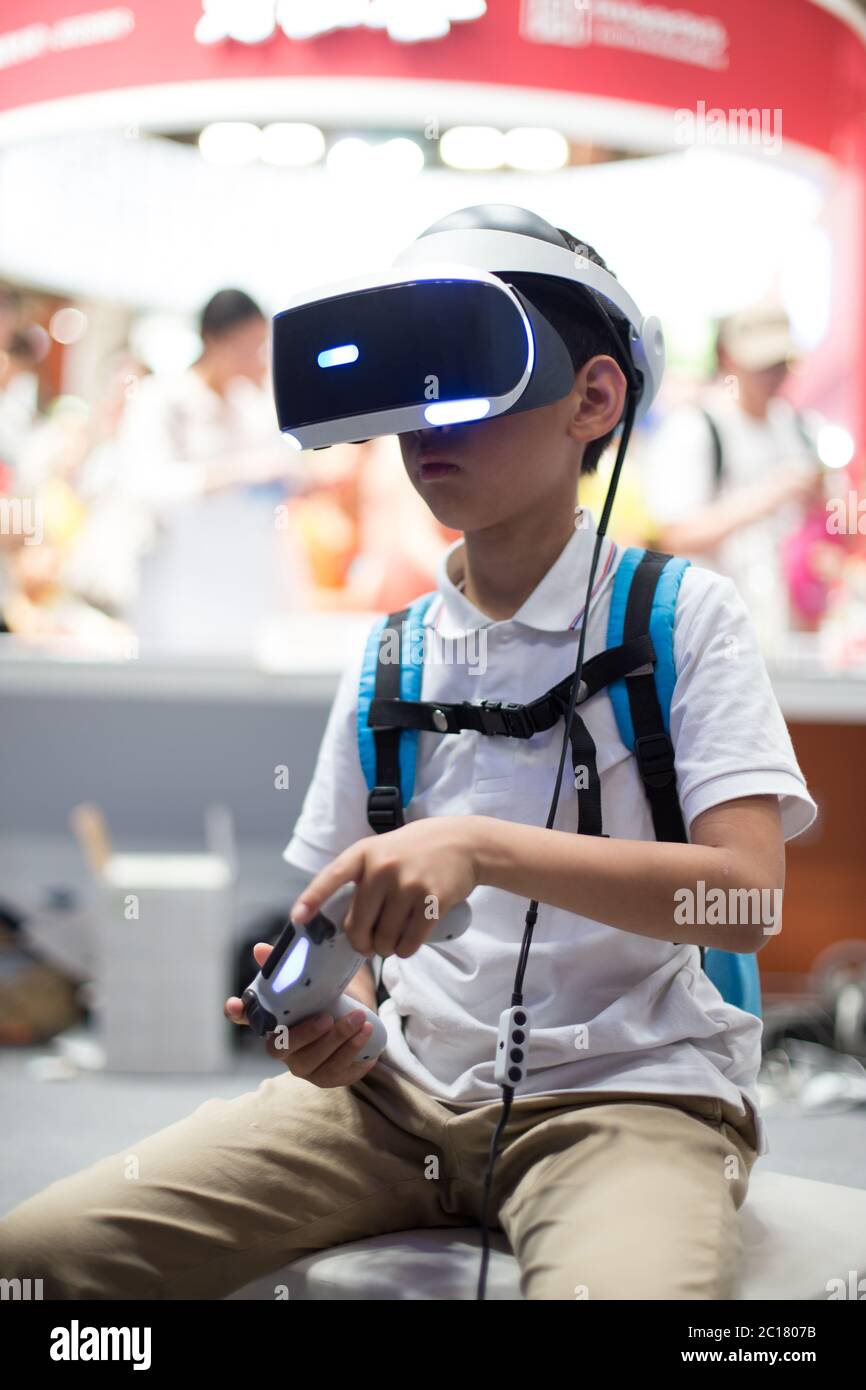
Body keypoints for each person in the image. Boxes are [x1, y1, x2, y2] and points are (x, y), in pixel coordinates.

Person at [0, 220, 816, 1300]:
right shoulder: (390, 653)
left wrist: (476, 847)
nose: (428, 425)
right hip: (388, 1100)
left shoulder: (679, 619)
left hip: (629, 1099)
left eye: (468, 381)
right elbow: (351, 928)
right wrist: (323, 1020)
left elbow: (745, 904)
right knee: (36, 1267)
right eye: (410, 395)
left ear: (593, 401)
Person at [113, 288, 308, 655]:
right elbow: (142, 484)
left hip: (241, 582)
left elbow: (284, 471)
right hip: (176, 579)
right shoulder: (162, 399)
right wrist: (230, 475)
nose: (254, 358)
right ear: (212, 340)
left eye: (259, 345)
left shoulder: (251, 406)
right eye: (244, 345)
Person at [643, 299, 822, 653]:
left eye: (781, 364)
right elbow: (673, 534)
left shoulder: (797, 427)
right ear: (728, 358)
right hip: (711, 637)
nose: (775, 376)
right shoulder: (693, 427)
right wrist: (769, 495)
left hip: (786, 634)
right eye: (764, 364)